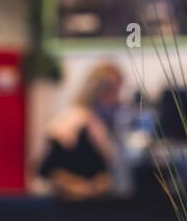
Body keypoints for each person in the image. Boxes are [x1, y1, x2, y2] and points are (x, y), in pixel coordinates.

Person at [38, 63, 124, 200]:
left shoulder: (101, 124)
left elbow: (104, 170)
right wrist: (82, 188)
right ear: (99, 92)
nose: (119, 100)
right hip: (68, 206)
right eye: (114, 92)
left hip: (96, 204)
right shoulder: (72, 123)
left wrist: (101, 183)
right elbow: (47, 170)